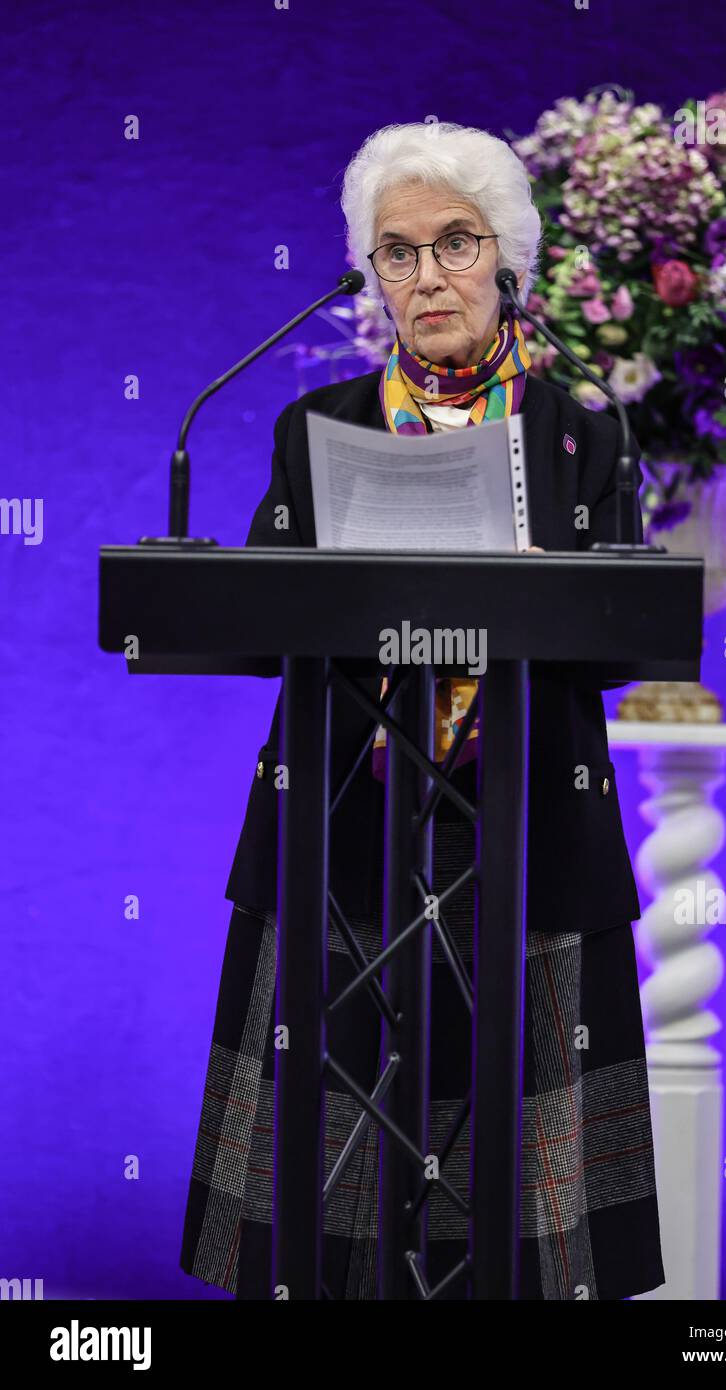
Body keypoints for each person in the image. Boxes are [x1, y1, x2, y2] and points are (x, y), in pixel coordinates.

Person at [180, 120, 665, 1301]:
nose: (427, 276)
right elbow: (253, 621)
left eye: (455, 243)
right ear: (369, 274)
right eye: (396, 253)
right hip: (343, 850)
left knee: (530, 1246)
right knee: (327, 1233)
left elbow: (624, 643)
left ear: (507, 263)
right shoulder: (319, 426)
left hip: (533, 846)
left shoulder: (585, 429)